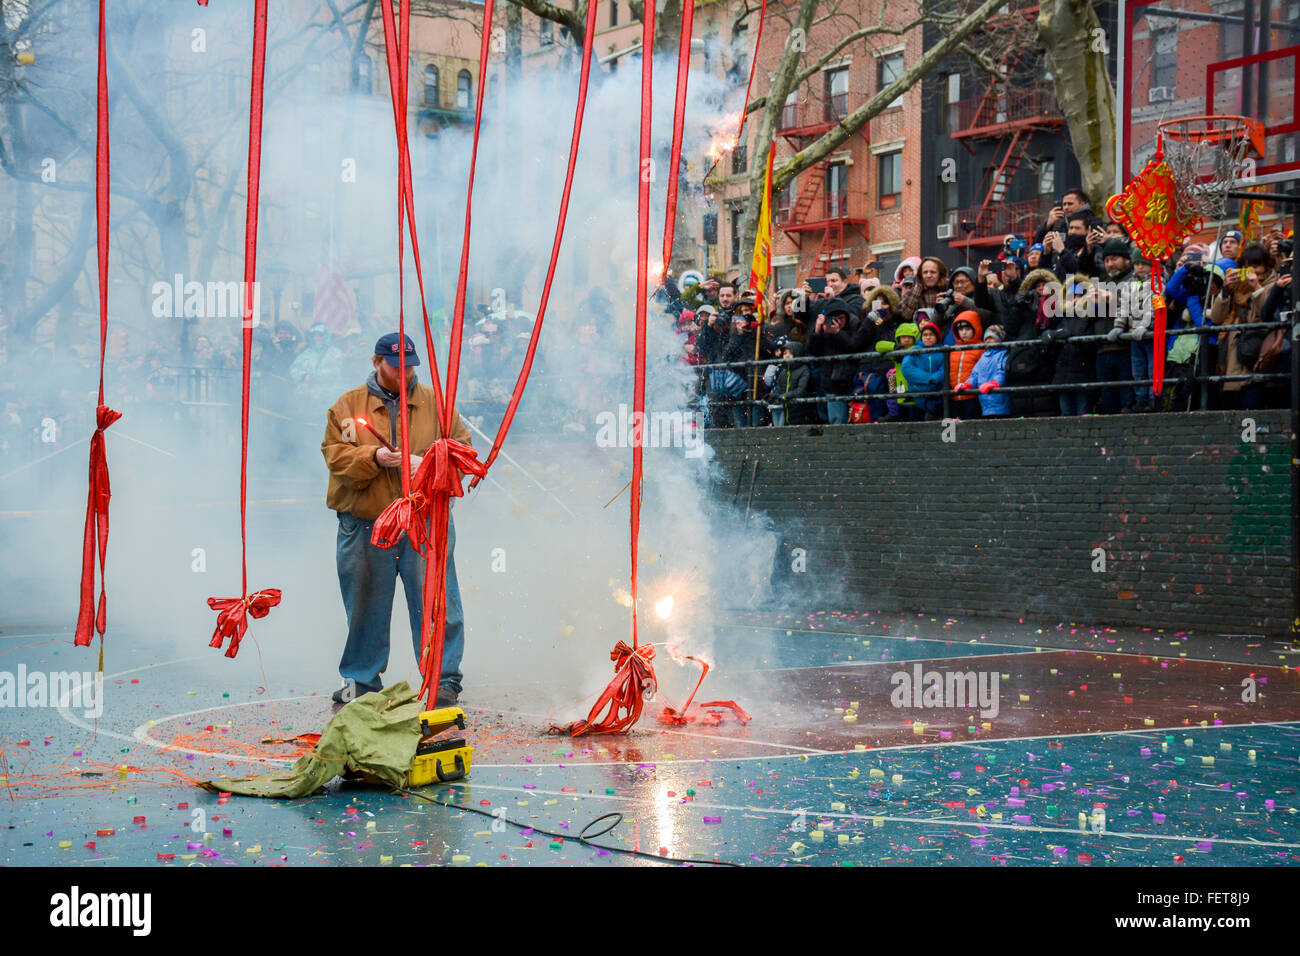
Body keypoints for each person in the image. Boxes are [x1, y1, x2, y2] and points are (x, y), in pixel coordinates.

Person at [321, 332, 470, 707]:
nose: (403, 374)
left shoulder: (438, 404)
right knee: (365, 604)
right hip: (367, 523)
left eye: (410, 367)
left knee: (437, 601)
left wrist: (430, 464)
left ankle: (443, 678)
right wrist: (373, 458)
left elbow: (464, 453)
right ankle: (361, 680)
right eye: (395, 366)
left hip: (424, 521)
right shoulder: (347, 406)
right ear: (376, 362)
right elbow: (335, 457)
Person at [956, 324, 1010, 417]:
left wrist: (994, 384)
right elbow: (975, 375)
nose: (988, 341)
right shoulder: (983, 357)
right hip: (984, 404)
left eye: (992, 338)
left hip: (1000, 403)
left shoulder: (1003, 355)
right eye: (986, 338)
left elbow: (1001, 372)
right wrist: (966, 384)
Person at [900, 320, 947, 421]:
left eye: (931, 334)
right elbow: (906, 368)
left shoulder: (943, 351)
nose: (928, 337)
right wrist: (929, 379)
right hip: (917, 395)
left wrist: (935, 379)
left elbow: (944, 369)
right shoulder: (914, 350)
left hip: (937, 397)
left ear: (937, 337)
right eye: (925, 334)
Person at [947, 311, 985, 418]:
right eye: (961, 329)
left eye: (968, 329)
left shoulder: (981, 348)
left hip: (973, 397)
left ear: (975, 329)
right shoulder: (953, 349)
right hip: (954, 397)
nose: (964, 332)